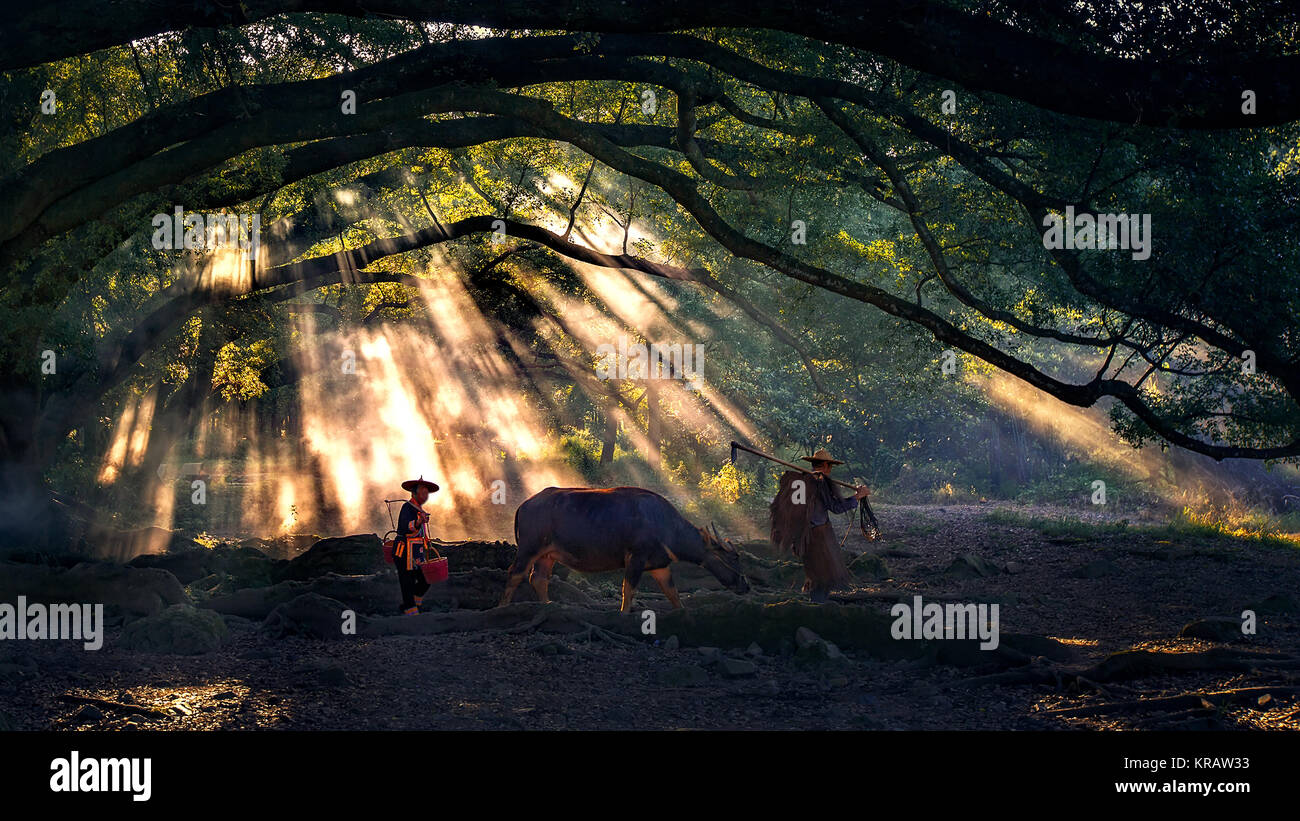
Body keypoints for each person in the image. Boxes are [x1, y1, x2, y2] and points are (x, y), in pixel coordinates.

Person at [770, 448, 870, 603]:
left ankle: (816, 604)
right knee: (823, 577)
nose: (830, 470)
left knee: (817, 575)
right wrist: (857, 497)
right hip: (817, 537)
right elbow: (836, 507)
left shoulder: (803, 480)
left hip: (803, 537)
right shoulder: (818, 482)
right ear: (825, 465)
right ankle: (817, 607)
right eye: (829, 466)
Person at [393, 476, 439, 615]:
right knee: (407, 581)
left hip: (417, 552)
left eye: (427, 494)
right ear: (414, 493)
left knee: (426, 579)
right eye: (423, 493)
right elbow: (405, 527)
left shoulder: (419, 509)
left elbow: (420, 532)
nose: (425, 496)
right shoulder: (407, 507)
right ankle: (410, 610)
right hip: (404, 550)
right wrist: (419, 522)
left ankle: (412, 604)